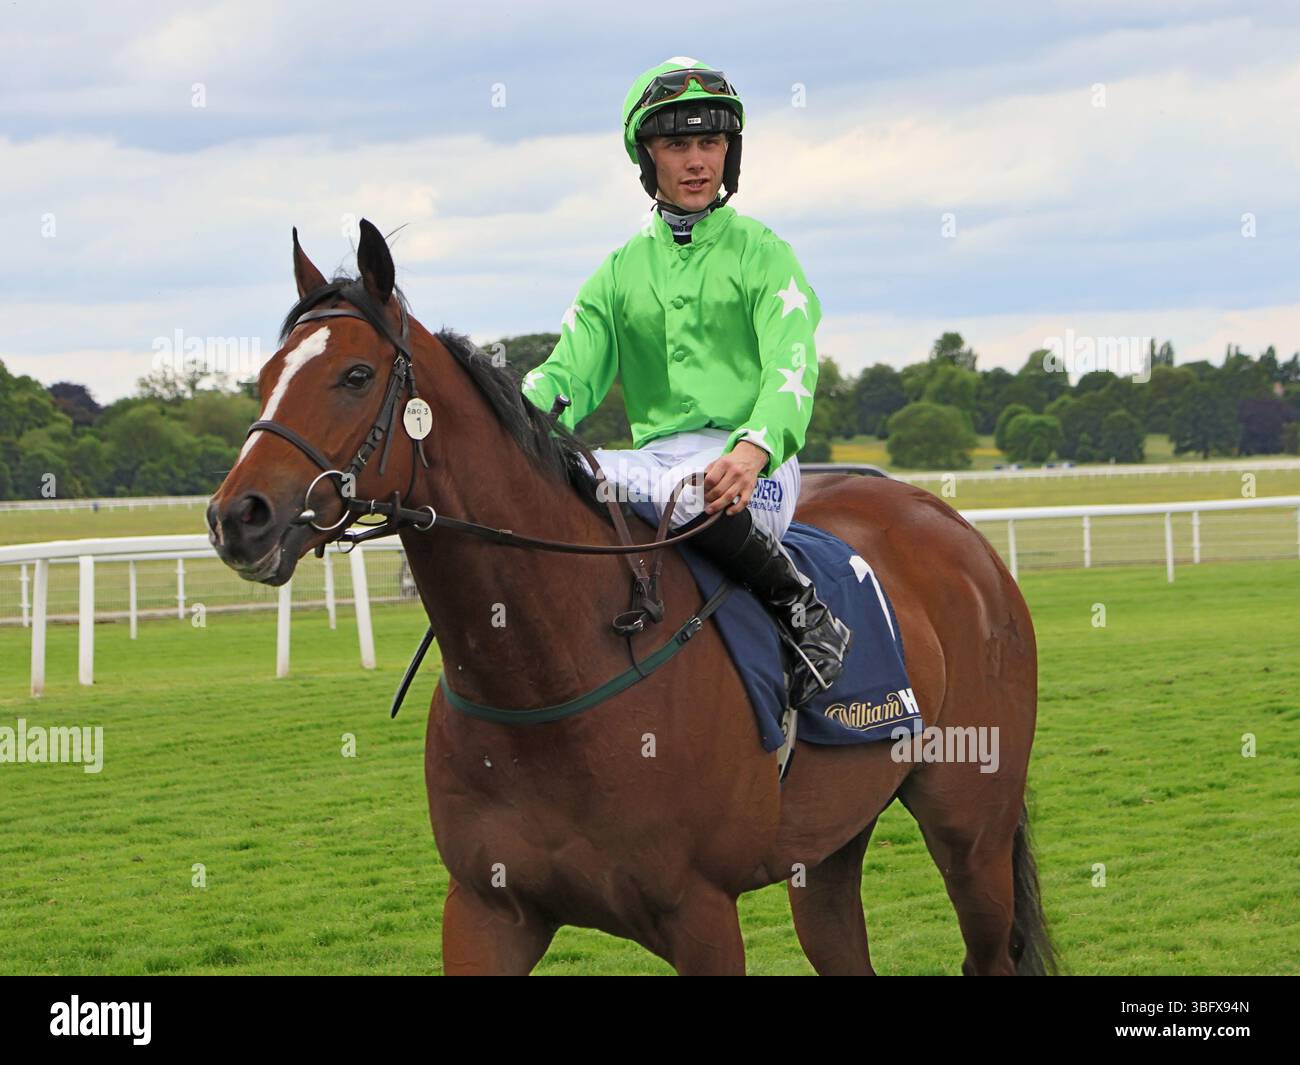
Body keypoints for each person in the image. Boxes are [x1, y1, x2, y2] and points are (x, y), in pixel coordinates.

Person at [522, 57, 850, 707]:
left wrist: (754, 447)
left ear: (730, 152)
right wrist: (504, 418)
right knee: (565, 480)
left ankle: (806, 612)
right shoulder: (618, 273)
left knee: (688, 492)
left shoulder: (764, 253)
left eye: (711, 142)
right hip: (657, 466)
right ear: (648, 159)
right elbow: (566, 374)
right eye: (678, 144)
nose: (698, 160)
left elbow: (792, 361)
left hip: (751, 467)